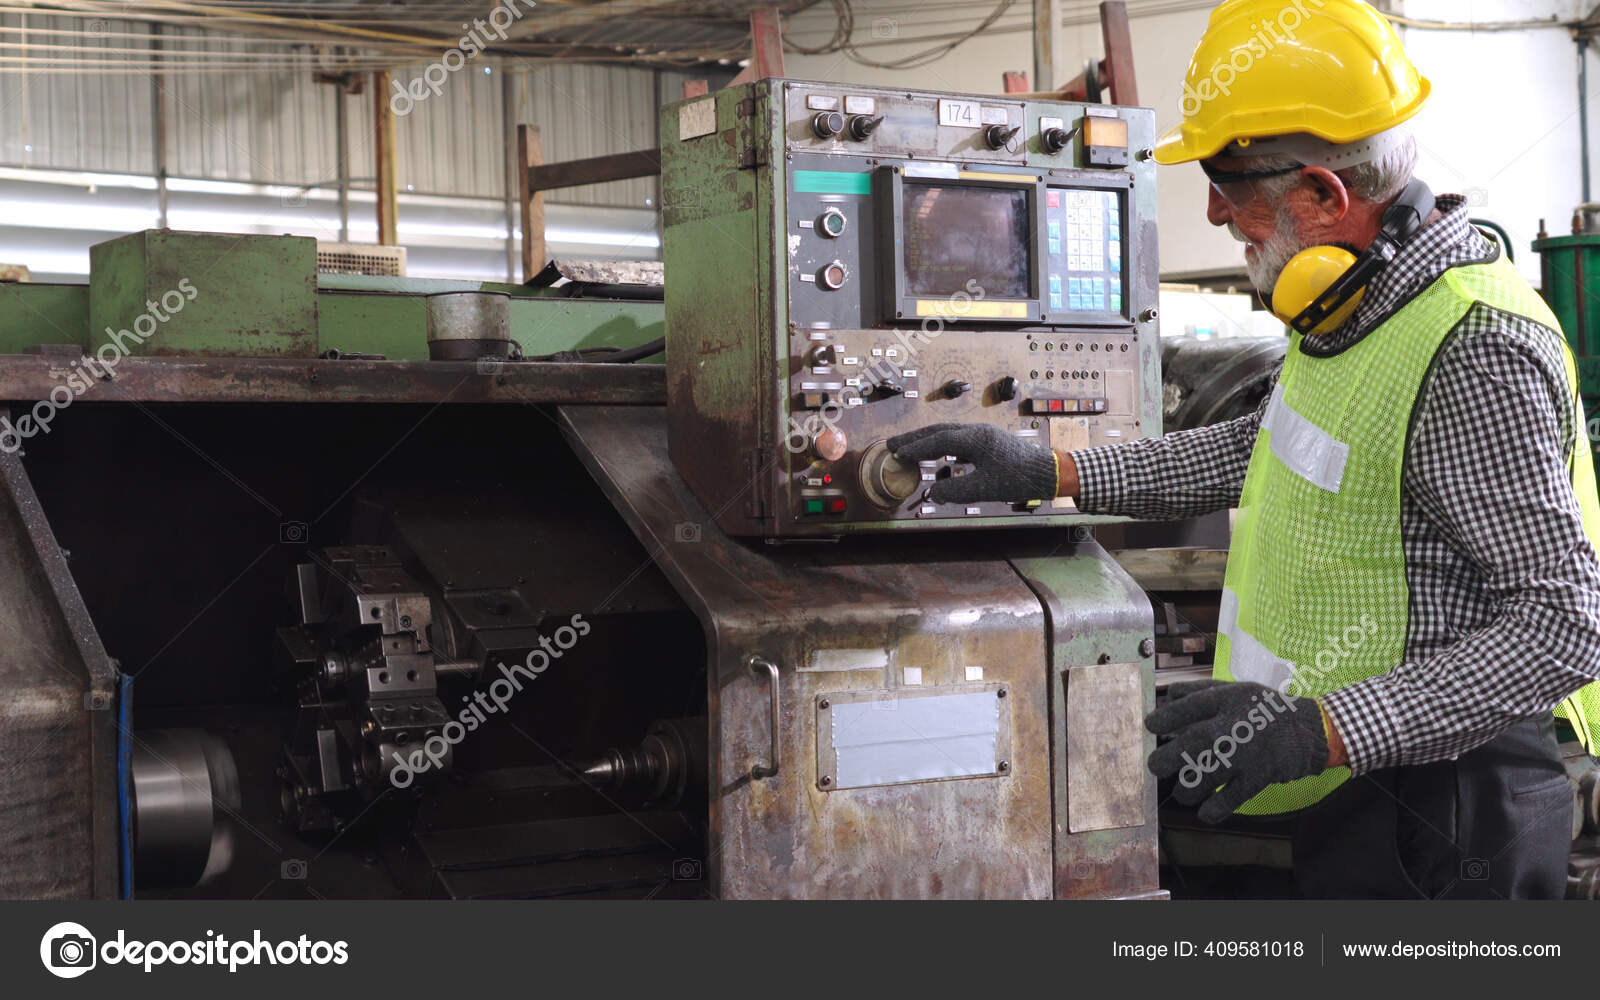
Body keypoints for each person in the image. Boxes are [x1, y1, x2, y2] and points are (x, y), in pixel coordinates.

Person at [888, 0, 1600, 898]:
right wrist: (1053, 471)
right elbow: (1258, 450)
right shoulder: (1357, 308)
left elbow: (1563, 627)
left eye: (1232, 186)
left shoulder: (1474, 345)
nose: (1218, 215)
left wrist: (1321, 728)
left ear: (1325, 196)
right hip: (1354, 775)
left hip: (1446, 803)